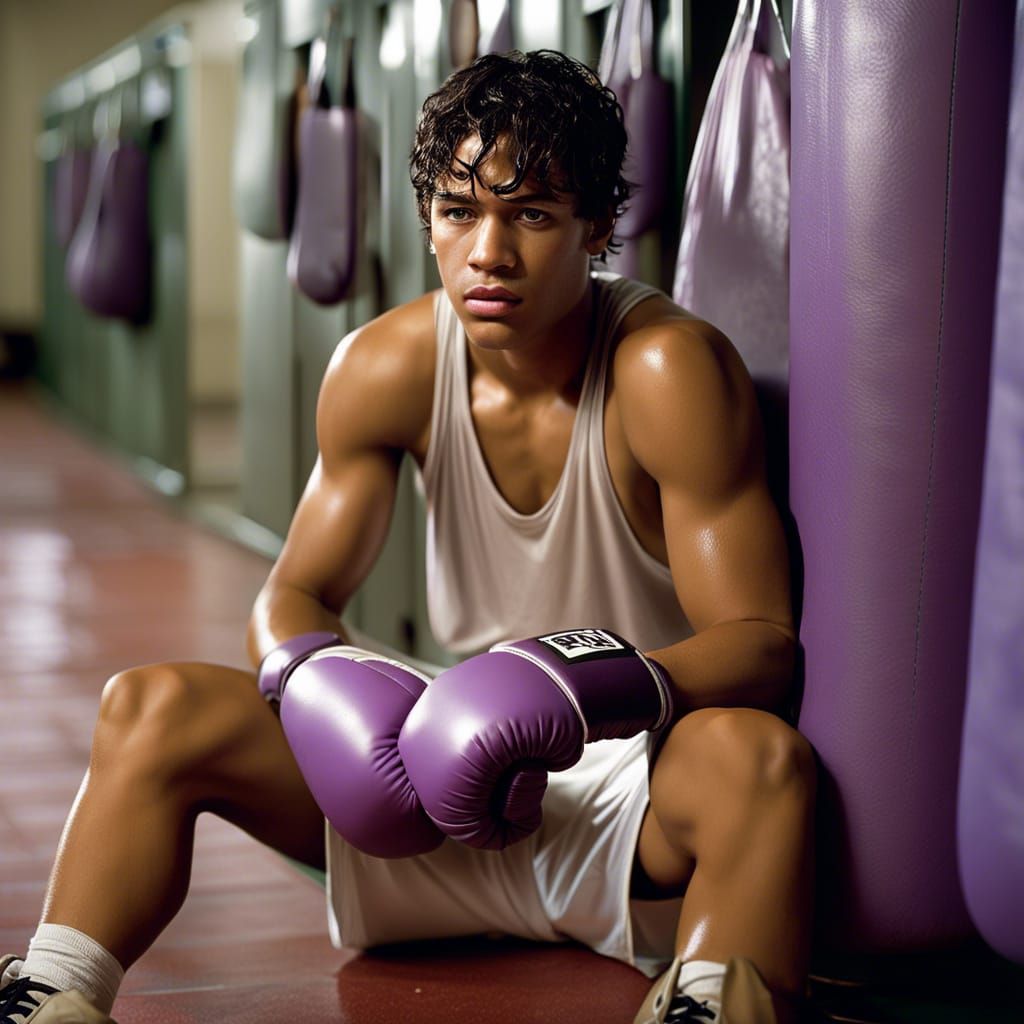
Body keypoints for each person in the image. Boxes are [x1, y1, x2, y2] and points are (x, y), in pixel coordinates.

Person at [0, 50, 815, 1024]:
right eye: (461, 211)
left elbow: (762, 641)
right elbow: (290, 596)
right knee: (151, 705)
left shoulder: (665, 369)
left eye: (535, 215)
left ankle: (709, 1001)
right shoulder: (382, 365)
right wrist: (319, 684)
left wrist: (589, 679)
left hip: (622, 792)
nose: (489, 254)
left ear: (599, 228)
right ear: (428, 218)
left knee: (761, 763)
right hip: (420, 790)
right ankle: (52, 992)